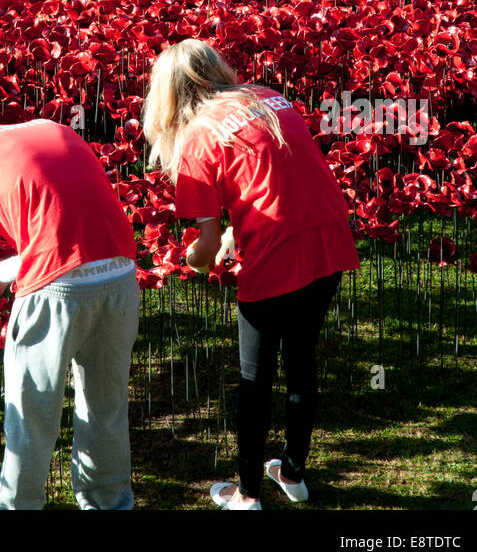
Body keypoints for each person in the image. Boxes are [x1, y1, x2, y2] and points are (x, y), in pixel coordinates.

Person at [143, 40, 360, 511]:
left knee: (254, 379)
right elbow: (275, 179)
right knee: (301, 360)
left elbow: (202, 245)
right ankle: (294, 473)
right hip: (327, 236)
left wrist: (192, 260)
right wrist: (231, 236)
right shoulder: (268, 97)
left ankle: (246, 495)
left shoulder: (198, 136)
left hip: (277, 253)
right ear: (217, 68)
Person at [0, 109, 140, 510]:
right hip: (120, 274)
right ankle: (109, 503)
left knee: (31, 415)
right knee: (106, 406)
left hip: (56, 293)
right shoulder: (53, 129)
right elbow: (67, 228)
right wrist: (7, 268)